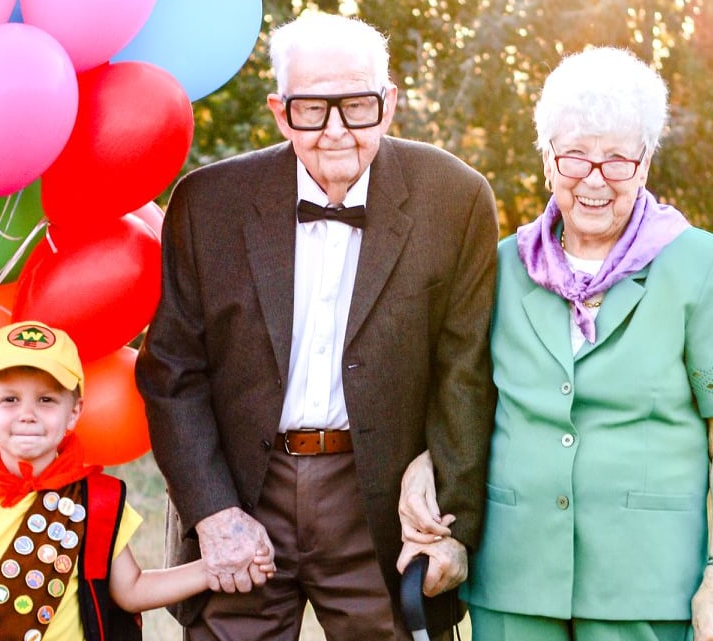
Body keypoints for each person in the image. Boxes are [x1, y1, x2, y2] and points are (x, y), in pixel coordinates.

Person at [135, 11, 499, 641]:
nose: (335, 130)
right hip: (245, 493)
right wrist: (214, 512)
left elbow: (466, 374)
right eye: (311, 109)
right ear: (280, 112)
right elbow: (171, 374)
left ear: (388, 105)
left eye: (355, 106)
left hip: (380, 500)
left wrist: (453, 519)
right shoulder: (206, 204)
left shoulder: (457, 198)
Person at [398, 47, 713, 641]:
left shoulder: (705, 266)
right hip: (513, 579)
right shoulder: (501, 267)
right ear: (547, 161)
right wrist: (422, 461)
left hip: (647, 585)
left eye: (617, 160)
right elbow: (459, 391)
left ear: (644, 164)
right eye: (575, 157)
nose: (594, 179)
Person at [0, 321, 273, 641]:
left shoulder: (99, 501)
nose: (27, 415)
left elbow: (132, 590)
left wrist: (214, 567)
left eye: (46, 400)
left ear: (75, 412)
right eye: (10, 400)